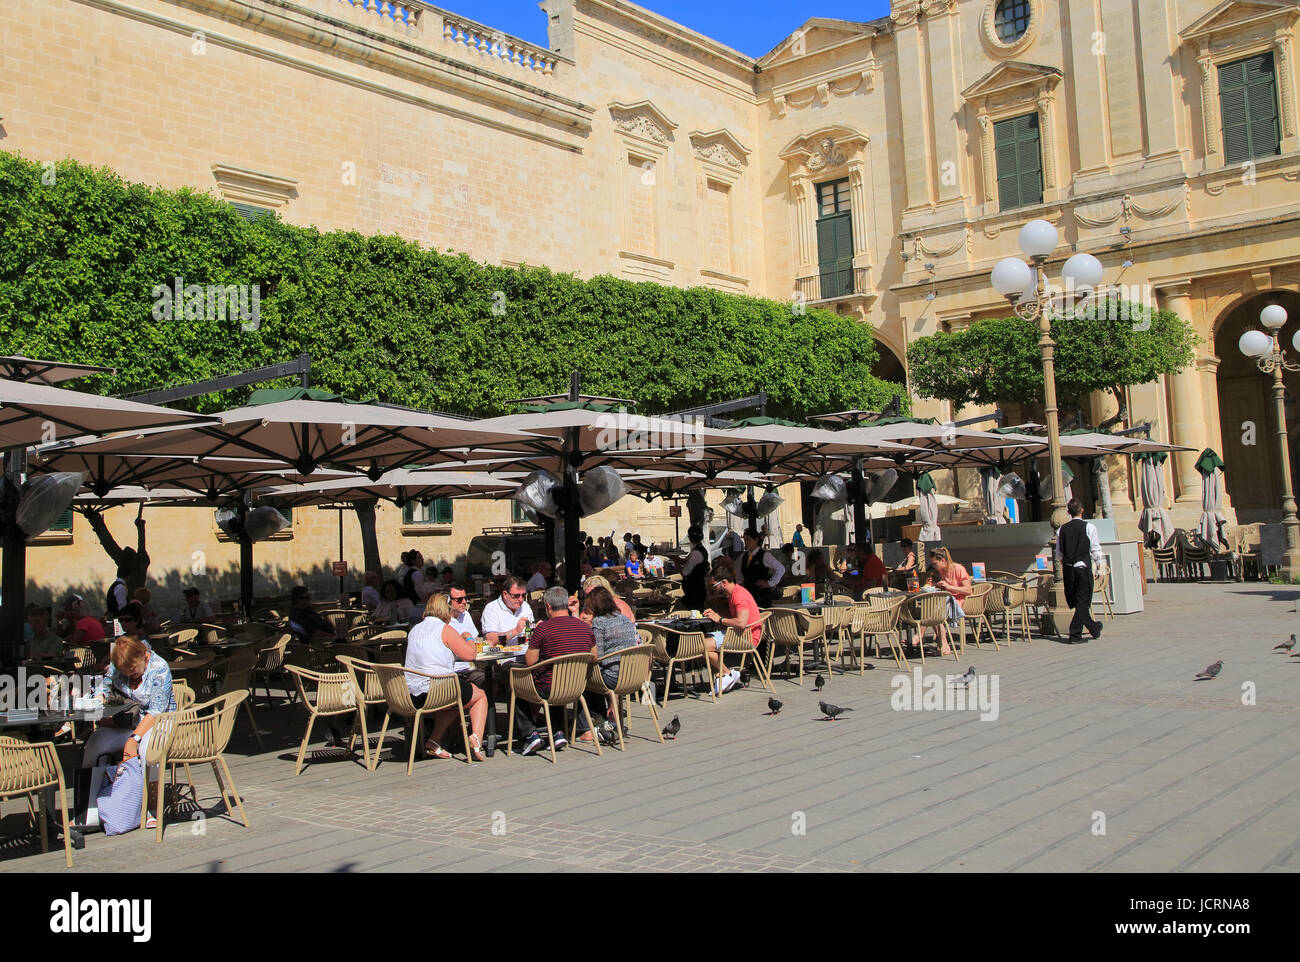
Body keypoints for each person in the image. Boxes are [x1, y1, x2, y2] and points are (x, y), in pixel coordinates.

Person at [85, 635, 176, 829]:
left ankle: (151, 807)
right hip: (129, 721)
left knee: (146, 751)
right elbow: (105, 686)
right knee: (95, 743)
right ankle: (89, 807)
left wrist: (133, 740)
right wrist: (100, 698)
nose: (131, 674)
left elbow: (156, 711)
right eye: (125, 671)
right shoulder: (120, 666)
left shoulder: (159, 668)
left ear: (144, 656)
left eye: (133, 669)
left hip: (159, 723)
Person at [512, 587, 598, 756]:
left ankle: (530, 734)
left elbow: (530, 661)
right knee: (553, 676)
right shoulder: (585, 627)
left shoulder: (543, 629)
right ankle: (557, 732)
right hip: (577, 686)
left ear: (548, 606)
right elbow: (593, 657)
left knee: (516, 681)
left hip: (549, 688)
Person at [404, 593, 487, 760]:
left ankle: (434, 741)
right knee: (479, 697)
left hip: (411, 694)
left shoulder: (414, 630)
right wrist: (468, 637)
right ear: (446, 610)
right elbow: (470, 654)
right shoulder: (444, 629)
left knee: (454, 702)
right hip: (439, 689)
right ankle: (477, 740)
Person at [581, 586, 638, 742]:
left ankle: (591, 727)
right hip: (632, 675)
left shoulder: (599, 622)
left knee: (580, 682)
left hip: (612, 677)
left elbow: (596, 656)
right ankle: (608, 722)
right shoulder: (625, 619)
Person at [702, 558, 761, 695]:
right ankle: (726, 675)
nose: (713, 589)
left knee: (702, 646)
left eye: (714, 586)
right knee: (701, 644)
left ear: (723, 583)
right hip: (739, 634)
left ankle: (727, 675)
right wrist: (715, 614)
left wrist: (720, 619)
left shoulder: (738, 596)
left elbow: (741, 623)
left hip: (746, 638)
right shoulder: (733, 593)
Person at [1056, 497, 1106, 642]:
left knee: (1078, 601)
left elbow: (1059, 554)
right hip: (1082, 568)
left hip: (1068, 570)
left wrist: (1066, 564)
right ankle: (1075, 634)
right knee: (1083, 601)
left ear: (1068, 512)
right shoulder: (1089, 527)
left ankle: (1094, 628)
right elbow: (1096, 550)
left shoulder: (1061, 530)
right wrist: (1100, 570)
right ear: (1082, 510)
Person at [738, 529, 785, 608]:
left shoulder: (764, 555)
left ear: (756, 540)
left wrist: (770, 583)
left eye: (748, 540)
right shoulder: (745, 556)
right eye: (744, 540)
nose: (746, 542)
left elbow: (780, 568)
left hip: (761, 597)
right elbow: (740, 573)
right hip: (748, 596)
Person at [481, 576, 534, 644]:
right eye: (516, 596)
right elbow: (490, 639)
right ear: (505, 594)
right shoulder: (491, 609)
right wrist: (515, 631)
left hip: (525, 651)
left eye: (523, 595)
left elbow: (530, 631)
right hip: (503, 653)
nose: (521, 599)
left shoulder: (525, 606)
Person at [568, 574, 635, 621]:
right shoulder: (590, 606)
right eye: (587, 596)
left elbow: (623, 633)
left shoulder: (619, 605)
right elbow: (578, 630)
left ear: (603, 592)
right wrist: (575, 611)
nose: (589, 599)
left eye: (592, 594)